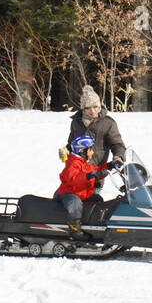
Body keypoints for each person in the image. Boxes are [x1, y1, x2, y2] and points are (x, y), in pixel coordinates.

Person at [55, 85, 127, 235]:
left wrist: (117, 158)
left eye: (96, 107)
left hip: (94, 173)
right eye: (89, 108)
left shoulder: (108, 123)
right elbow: (72, 143)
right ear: (83, 108)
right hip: (77, 171)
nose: (94, 111)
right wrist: (65, 151)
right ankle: (68, 228)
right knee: (72, 202)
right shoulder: (77, 122)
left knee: (93, 202)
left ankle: (92, 229)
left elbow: (117, 144)